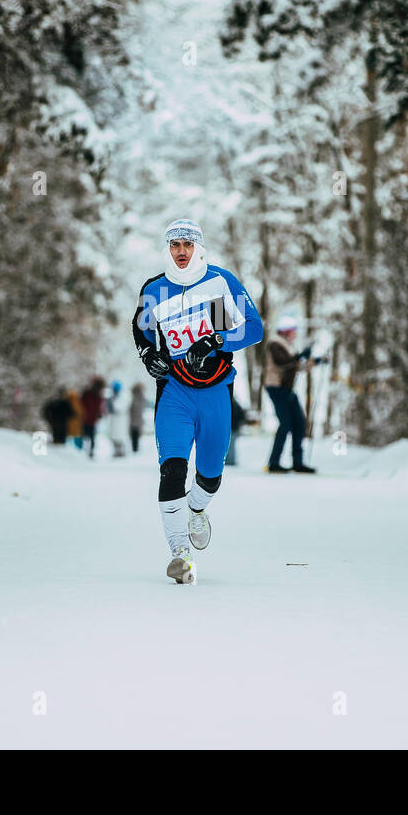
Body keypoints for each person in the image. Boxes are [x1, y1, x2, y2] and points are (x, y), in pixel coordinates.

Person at [132, 218, 263, 584]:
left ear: (199, 248)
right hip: (175, 392)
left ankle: (196, 509)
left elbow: (253, 328)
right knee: (172, 470)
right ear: (167, 250)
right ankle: (179, 554)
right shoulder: (155, 289)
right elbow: (140, 328)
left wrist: (215, 341)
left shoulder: (219, 282)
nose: (182, 252)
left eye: (188, 245)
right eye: (175, 245)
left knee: (209, 476)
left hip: (216, 391)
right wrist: (147, 354)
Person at [263, 315, 316, 474]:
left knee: (299, 423)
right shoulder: (275, 343)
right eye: (293, 331)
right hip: (276, 387)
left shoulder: (288, 346)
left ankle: (298, 462)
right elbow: (282, 362)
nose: (295, 334)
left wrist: (314, 362)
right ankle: (274, 463)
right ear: (286, 331)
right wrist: (300, 357)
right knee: (285, 423)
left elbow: (295, 366)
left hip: (287, 389)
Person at [80, 377, 105, 458]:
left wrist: (99, 414)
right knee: (89, 436)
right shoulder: (91, 394)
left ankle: (88, 452)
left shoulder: (91, 394)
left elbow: (99, 408)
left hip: (89, 419)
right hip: (88, 419)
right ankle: (88, 451)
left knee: (88, 436)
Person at [225, 392, 246, 466]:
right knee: (231, 446)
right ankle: (229, 460)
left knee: (229, 446)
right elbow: (243, 416)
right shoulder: (236, 404)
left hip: (231, 428)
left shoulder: (229, 404)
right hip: (234, 428)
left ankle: (230, 461)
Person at [106, 380, 127, 458]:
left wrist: (113, 408)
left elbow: (121, 408)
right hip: (114, 420)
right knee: (114, 437)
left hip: (120, 420)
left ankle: (121, 451)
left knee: (120, 437)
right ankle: (116, 451)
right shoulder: (111, 398)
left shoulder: (122, 397)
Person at [128, 382, 146, 453]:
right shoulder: (141, 397)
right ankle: (135, 448)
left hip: (135, 419)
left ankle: (135, 449)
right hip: (137, 419)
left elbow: (134, 407)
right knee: (135, 435)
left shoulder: (136, 397)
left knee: (135, 435)